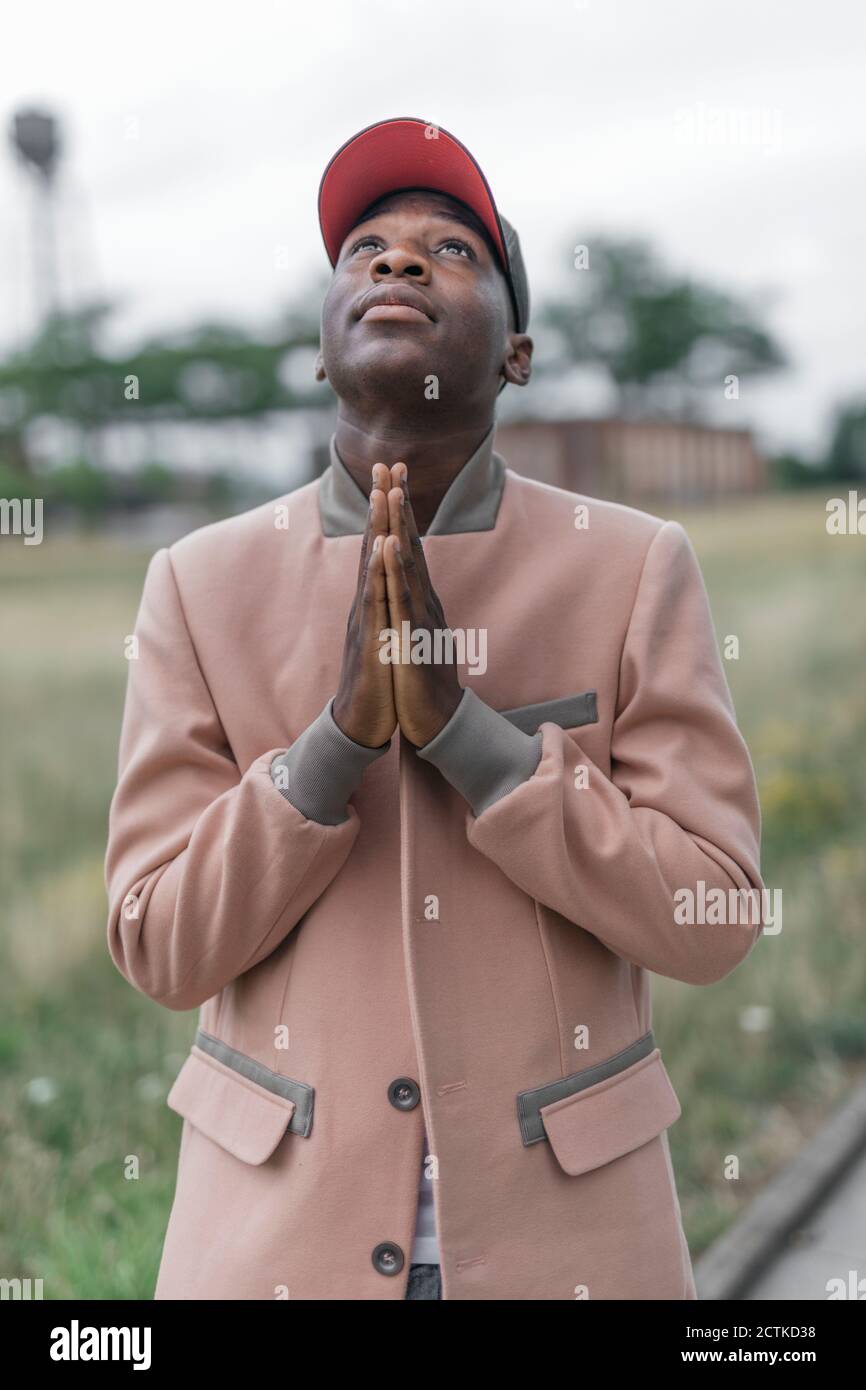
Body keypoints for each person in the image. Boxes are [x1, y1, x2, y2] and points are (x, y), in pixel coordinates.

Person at [105, 116, 765, 1301]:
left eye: (450, 249)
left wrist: (479, 745)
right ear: (319, 347)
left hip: (570, 1254)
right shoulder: (197, 586)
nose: (398, 261)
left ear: (516, 350)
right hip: (267, 1252)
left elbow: (710, 918)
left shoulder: (627, 565)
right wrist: (331, 748)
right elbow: (158, 942)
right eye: (366, 247)